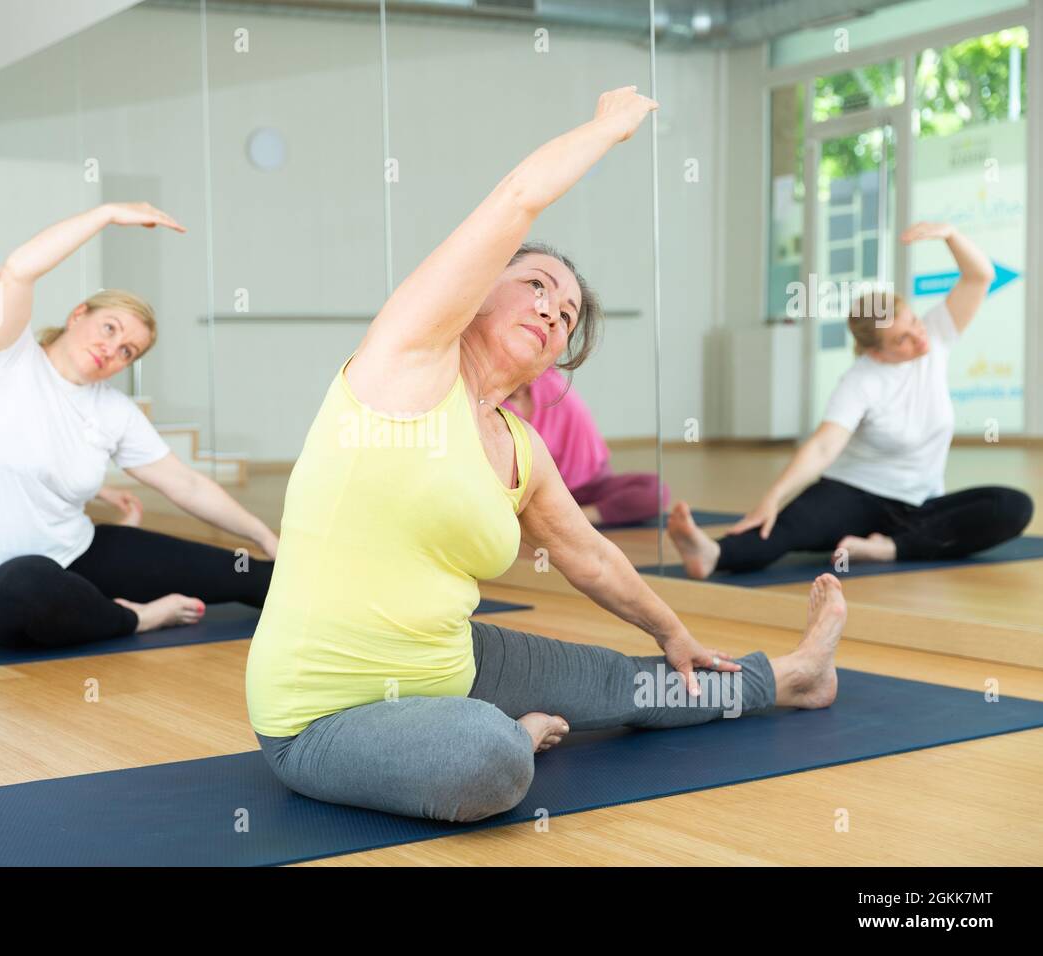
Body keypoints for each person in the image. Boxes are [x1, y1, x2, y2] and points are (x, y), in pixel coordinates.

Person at [245, 88, 845, 823]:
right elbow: (515, 201)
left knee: (632, 683)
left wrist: (672, 631)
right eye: (534, 287)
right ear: (475, 296)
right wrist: (605, 129)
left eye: (565, 316)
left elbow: (589, 556)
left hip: (454, 664)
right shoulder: (402, 365)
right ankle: (518, 736)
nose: (551, 313)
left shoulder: (520, 448)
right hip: (321, 719)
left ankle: (793, 677)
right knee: (489, 758)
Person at [0, 202, 278, 648]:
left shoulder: (114, 410)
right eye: (109, 328)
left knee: (251, 575)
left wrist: (263, 535)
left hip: (83, 552)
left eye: (127, 350)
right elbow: (20, 269)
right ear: (77, 314)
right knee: (29, 583)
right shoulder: (7, 360)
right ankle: (135, 617)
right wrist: (106, 215)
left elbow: (186, 485)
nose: (112, 349)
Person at [668, 222, 1033, 579]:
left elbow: (979, 276)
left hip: (919, 505)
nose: (918, 339)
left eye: (914, 324)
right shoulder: (861, 380)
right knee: (789, 528)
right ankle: (711, 553)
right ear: (875, 353)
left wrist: (951, 236)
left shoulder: (935, 338)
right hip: (854, 494)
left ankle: (886, 548)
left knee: (1012, 506)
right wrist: (774, 497)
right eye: (902, 339)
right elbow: (824, 447)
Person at [502, 360, 667, 526]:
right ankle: (564, 517)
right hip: (541, 495)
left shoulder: (547, 376)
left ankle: (578, 517)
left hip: (592, 484)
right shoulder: (491, 407)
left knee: (657, 491)